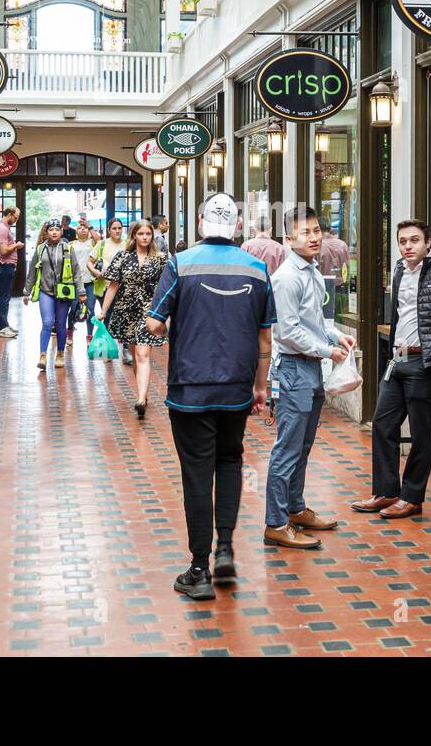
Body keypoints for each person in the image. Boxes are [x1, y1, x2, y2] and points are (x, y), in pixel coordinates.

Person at [146, 193, 275, 600]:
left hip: (190, 388)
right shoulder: (256, 269)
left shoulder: (180, 263)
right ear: (237, 225)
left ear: (200, 220)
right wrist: (260, 387)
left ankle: (199, 569)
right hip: (236, 387)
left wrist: (176, 331)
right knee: (230, 460)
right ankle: (225, 550)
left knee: (197, 471)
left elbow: (153, 324)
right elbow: (265, 337)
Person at [350, 219, 431, 519]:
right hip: (397, 361)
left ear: (428, 242)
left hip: (427, 362)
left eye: (414, 240)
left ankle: (412, 497)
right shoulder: (399, 269)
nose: (408, 246)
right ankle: (385, 492)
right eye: (402, 241)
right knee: (383, 425)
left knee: (421, 434)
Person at [263, 205, 356, 550]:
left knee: (303, 446)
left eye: (317, 230)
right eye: (305, 232)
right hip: (294, 368)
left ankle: (296, 508)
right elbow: (287, 332)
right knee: (287, 448)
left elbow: (313, 321)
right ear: (288, 239)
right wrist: (326, 350)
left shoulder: (312, 271)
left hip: (311, 367)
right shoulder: (287, 277)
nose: (314, 237)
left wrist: (335, 338)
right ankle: (275, 522)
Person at [98, 220, 168, 415]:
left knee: (143, 354)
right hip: (126, 311)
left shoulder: (160, 259)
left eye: (148, 234)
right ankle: (142, 393)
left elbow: (167, 287)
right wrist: (104, 311)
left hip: (149, 311)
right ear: (134, 236)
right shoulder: (123, 256)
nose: (145, 237)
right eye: (141, 234)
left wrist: (168, 312)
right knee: (135, 356)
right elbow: (113, 285)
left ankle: (140, 399)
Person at [23, 219, 85, 372]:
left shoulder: (67, 249)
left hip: (64, 291)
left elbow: (76, 271)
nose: (54, 232)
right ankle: (42, 356)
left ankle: (60, 354)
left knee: (60, 323)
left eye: (57, 229)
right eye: (51, 230)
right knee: (47, 322)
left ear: (61, 231)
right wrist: (26, 291)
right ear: (47, 232)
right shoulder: (40, 249)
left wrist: (81, 291)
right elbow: (32, 271)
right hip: (46, 291)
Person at [89, 217, 129, 360]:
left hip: (123, 288)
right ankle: (108, 349)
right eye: (114, 228)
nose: (117, 231)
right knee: (108, 317)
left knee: (125, 317)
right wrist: (95, 271)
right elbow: (90, 262)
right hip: (104, 287)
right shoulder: (101, 244)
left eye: (119, 228)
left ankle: (125, 349)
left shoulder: (127, 245)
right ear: (109, 230)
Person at [0, 206, 23, 338]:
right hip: (5, 266)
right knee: (4, 297)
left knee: (6, 297)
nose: (16, 220)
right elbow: (4, 250)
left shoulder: (4, 228)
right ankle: (2, 327)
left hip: (7, 266)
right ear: (9, 214)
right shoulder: (3, 229)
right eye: (15, 217)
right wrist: (17, 245)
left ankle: (3, 324)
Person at [68, 223, 97, 340]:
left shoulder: (92, 243)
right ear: (76, 232)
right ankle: (69, 333)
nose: (83, 229)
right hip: (74, 283)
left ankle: (89, 335)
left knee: (90, 309)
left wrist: (90, 226)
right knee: (73, 309)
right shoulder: (71, 244)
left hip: (90, 281)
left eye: (84, 228)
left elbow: (99, 241)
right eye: (80, 228)